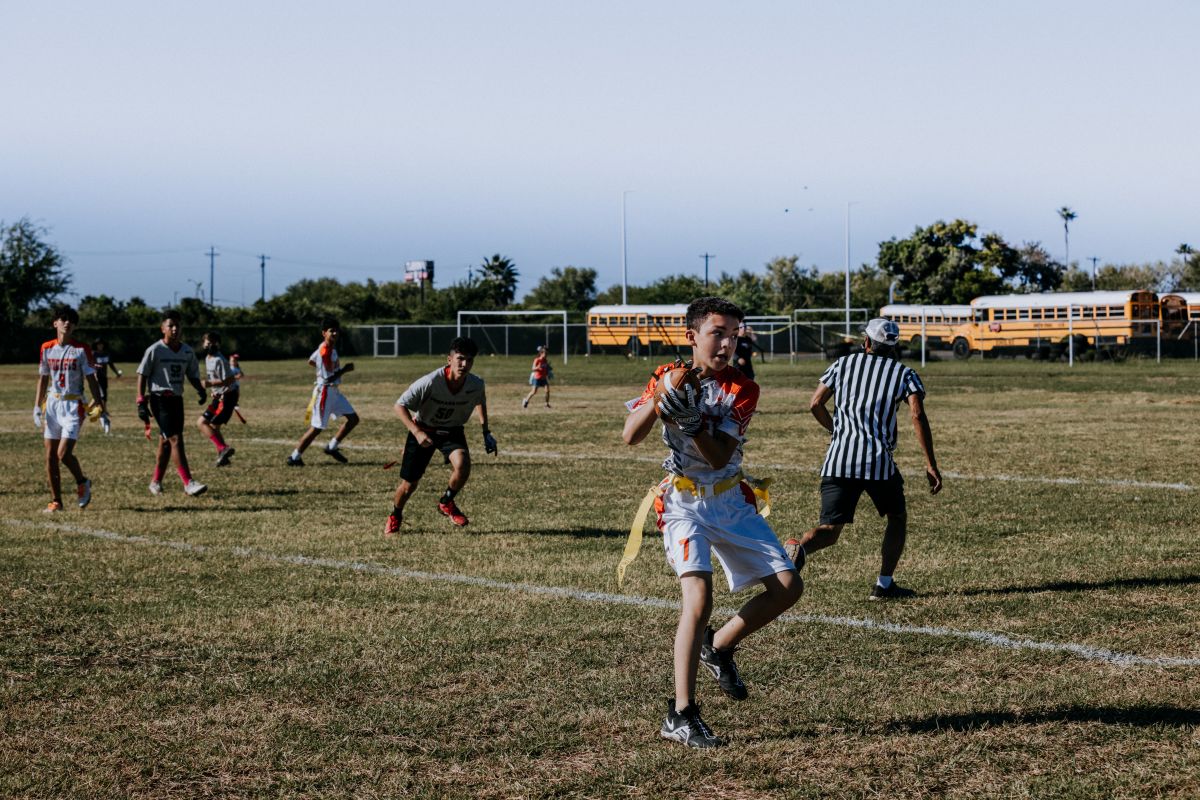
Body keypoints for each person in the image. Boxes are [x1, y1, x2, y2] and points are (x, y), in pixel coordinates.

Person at [622, 296, 803, 749]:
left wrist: (692, 422)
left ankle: (718, 646)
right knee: (697, 599)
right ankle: (681, 714)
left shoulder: (743, 387)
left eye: (734, 334)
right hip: (683, 502)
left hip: (731, 500)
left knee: (788, 587)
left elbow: (720, 454)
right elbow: (630, 435)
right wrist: (663, 395)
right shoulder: (668, 374)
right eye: (717, 333)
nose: (727, 343)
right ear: (692, 336)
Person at [784, 318, 943, 600]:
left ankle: (798, 549)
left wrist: (836, 430)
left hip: (839, 459)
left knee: (830, 530)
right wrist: (930, 463)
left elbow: (815, 403)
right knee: (896, 518)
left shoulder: (843, 364)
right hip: (878, 463)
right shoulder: (904, 373)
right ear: (894, 347)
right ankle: (884, 585)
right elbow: (917, 415)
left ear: (867, 342)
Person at [385, 337, 497, 534]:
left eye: (469, 360)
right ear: (449, 359)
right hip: (424, 430)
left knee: (462, 465)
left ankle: (446, 501)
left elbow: (480, 401)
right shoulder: (430, 382)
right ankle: (395, 515)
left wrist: (486, 431)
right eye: (460, 359)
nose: (464, 364)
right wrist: (417, 432)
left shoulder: (476, 384)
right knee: (409, 485)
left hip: (452, 430)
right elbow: (399, 405)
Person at [34, 305, 110, 512]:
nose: (67, 322)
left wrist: (100, 406)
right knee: (50, 456)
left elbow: (91, 378)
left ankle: (82, 481)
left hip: (73, 404)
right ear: (55, 323)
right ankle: (56, 501)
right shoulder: (46, 347)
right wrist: (36, 406)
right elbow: (43, 378)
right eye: (63, 319)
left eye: (72, 320)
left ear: (75, 326)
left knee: (63, 453)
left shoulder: (81, 349)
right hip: (52, 403)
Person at [136, 309, 208, 497]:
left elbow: (192, 374)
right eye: (171, 326)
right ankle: (188, 483)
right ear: (163, 328)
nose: (175, 329)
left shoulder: (186, 351)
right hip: (160, 400)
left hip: (177, 399)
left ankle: (155, 482)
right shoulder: (155, 350)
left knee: (166, 441)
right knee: (175, 439)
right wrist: (141, 400)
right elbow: (142, 374)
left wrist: (200, 389)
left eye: (177, 326)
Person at [287, 316, 358, 466]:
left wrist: (321, 370)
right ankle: (294, 457)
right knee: (317, 428)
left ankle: (332, 447)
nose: (335, 334)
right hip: (325, 392)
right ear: (324, 333)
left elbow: (311, 360)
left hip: (333, 392)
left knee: (353, 419)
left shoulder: (328, 348)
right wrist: (345, 369)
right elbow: (328, 379)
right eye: (331, 331)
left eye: (337, 331)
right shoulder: (325, 351)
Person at [197, 331, 239, 467]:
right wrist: (214, 391)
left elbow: (230, 379)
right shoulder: (208, 358)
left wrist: (209, 384)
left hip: (227, 395)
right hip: (220, 395)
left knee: (203, 423)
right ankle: (223, 456)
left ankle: (223, 448)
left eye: (214, 343)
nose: (211, 345)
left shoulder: (219, 359)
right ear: (203, 344)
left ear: (218, 345)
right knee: (214, 426)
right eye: (208, 343)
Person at [91, 338, 123, 403]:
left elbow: (111, 364)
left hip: (104, 376)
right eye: (98, 344)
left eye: (101, 344)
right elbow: (91, 365)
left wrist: (116, 373)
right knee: (99, 395)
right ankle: (90, 409)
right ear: (96, 345)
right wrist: (94, 374)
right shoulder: (94, 354)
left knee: (104, 394)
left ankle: (104, 410)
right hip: (96, 376)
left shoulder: (106, 354)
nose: (100, 346)